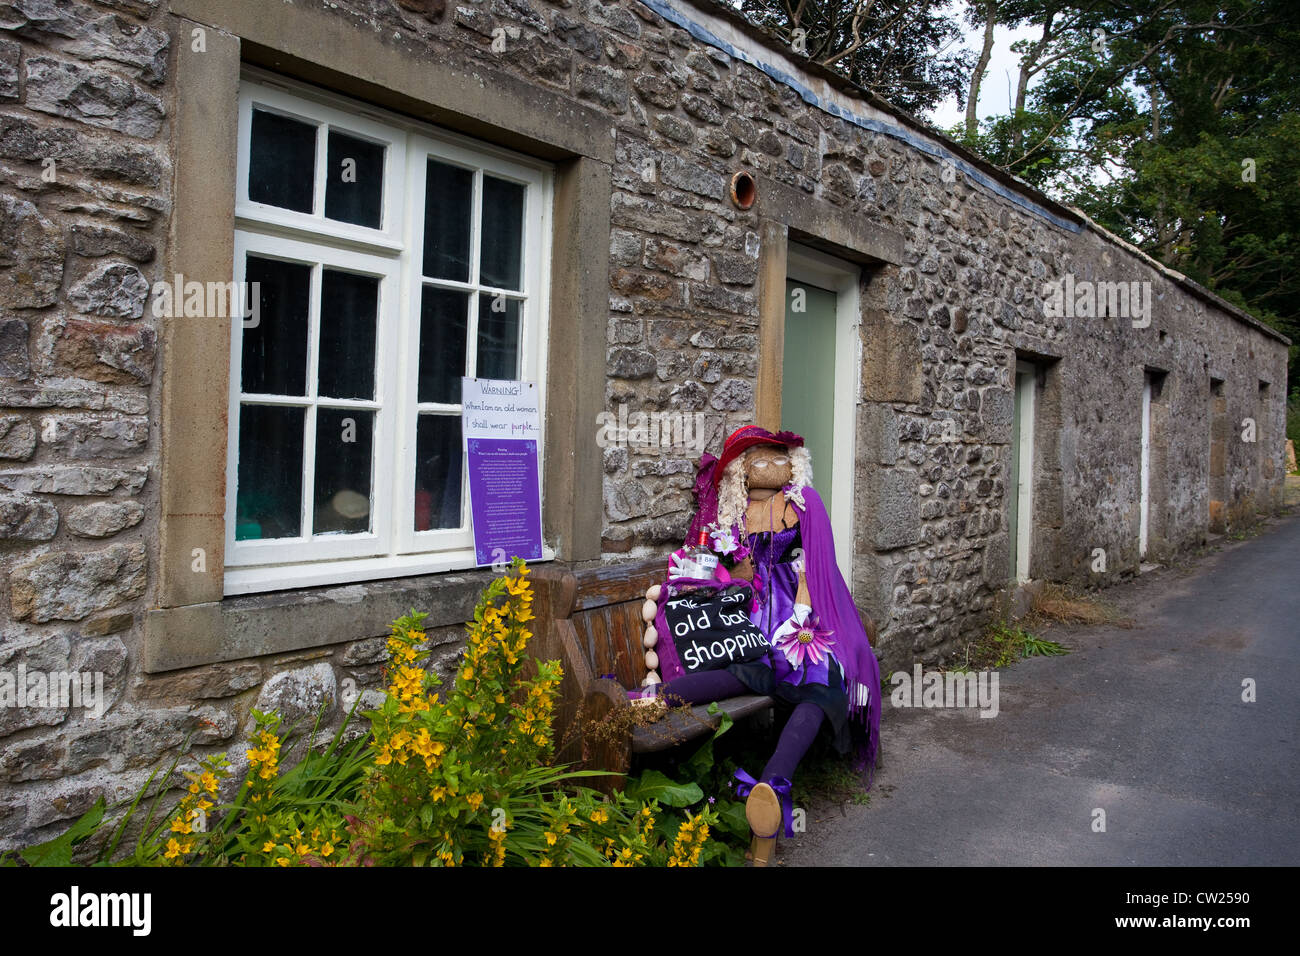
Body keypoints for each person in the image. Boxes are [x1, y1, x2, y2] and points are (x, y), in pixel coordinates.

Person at [652, 425, 882, 865]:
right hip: (751, 613)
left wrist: (802, 613)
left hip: (799, 613)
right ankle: (655, 700)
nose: (772, 464)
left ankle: (773, 783)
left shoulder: (803, 505)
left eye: (781, 456)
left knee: (816, 673)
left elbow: (817, 565)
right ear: (741, 468)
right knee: (740, 668)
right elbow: (723, 571)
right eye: (761, 456)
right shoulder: (733, 513)